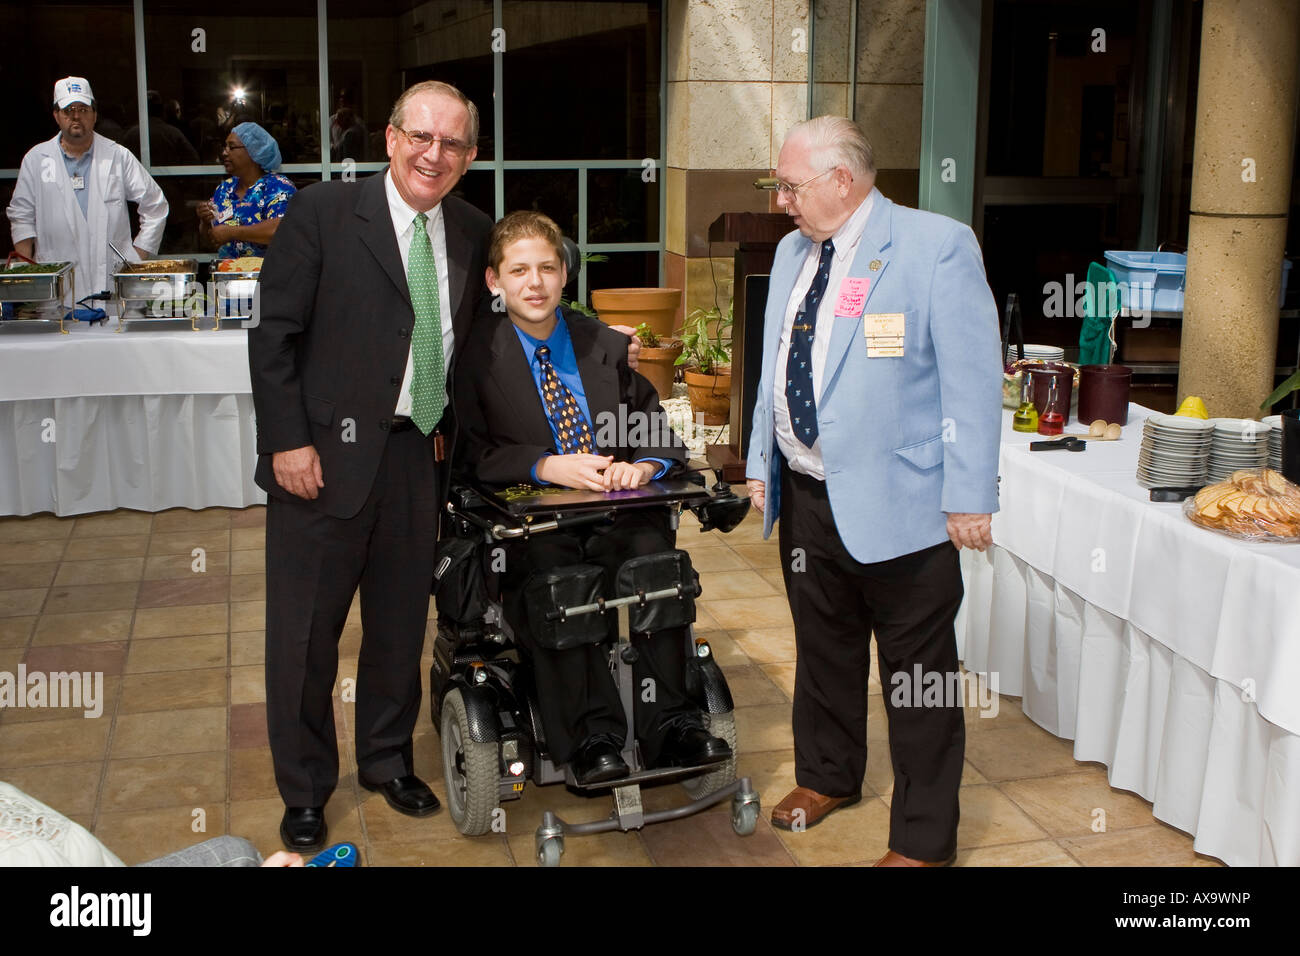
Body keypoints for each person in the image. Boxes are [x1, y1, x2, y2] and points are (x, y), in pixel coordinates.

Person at [745, 116, 1002, 866]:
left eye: (790, 186)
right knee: (823, 650)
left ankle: (923, 841)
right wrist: (765, 460)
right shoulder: (794, 252)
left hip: (907, 506)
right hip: (809, 497)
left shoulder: (936, 247)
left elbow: (973, 384)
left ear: (842, 181)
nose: (782, 201)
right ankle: (828, 776)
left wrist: (970, 495)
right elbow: (774, 367)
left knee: (918, 679)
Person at [453, 211, 732, 784]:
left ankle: (673, 727)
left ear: (564, 275)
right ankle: (592, 738)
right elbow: (471, 454)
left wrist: (644, 465)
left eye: (548, 269)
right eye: (519, 270)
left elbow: (654, 425)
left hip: (616, 510)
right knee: (565, 585)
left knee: (655, 567)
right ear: (494, 281)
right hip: (533, 525)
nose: (535, 283)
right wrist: (545, 463)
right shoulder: (476, 357)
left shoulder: (601, 344)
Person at [5, 76, 168, 301]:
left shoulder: (117, 156)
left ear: (94, 114)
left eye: (83, 109)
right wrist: (29, 271)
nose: (75, 116)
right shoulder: (36, 159)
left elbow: (155, 206)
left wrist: (136, 257)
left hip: (110, 284)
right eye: (68, 109)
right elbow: (21, 216)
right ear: (56, 116)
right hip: (57, 287)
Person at [197, 122, 296, 259]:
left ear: (253, 151)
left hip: (268, 277)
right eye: (225, 147)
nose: (224, 152)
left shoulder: (278, 187)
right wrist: (205, 222)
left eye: (231, 147)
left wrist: (232, 232)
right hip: (228, 276)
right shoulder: (225, 189)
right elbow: (211, 242)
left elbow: (281, 229)